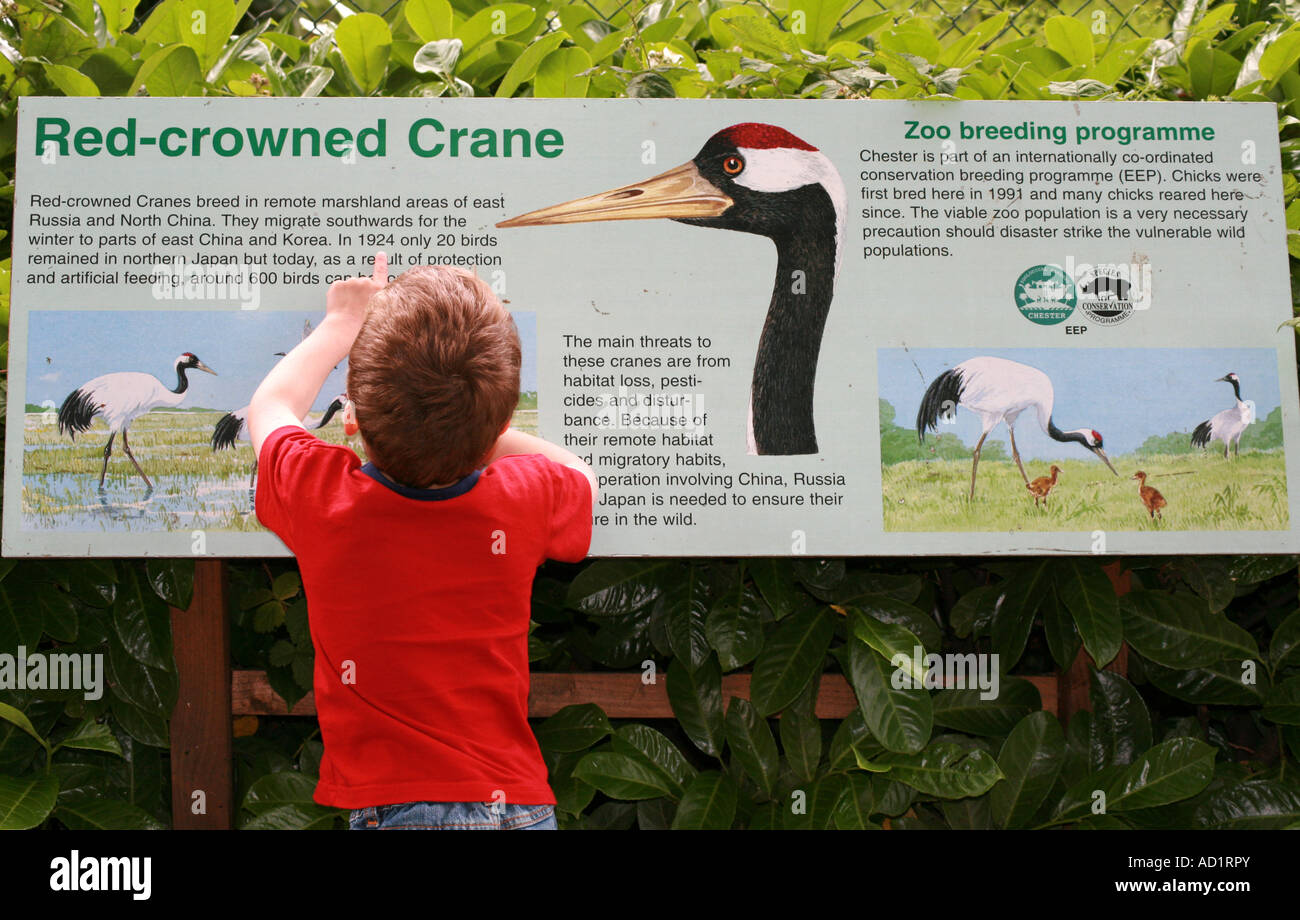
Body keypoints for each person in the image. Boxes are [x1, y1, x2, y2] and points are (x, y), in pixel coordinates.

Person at [247, 253, 597, 830]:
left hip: (394, 810)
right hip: (514, 806)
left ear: (353, 418)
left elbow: (273, 408)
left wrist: (342, 323)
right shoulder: (520, 499)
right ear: (502, 419)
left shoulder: (324, 498)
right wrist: (490, 436)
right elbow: (582, 480)